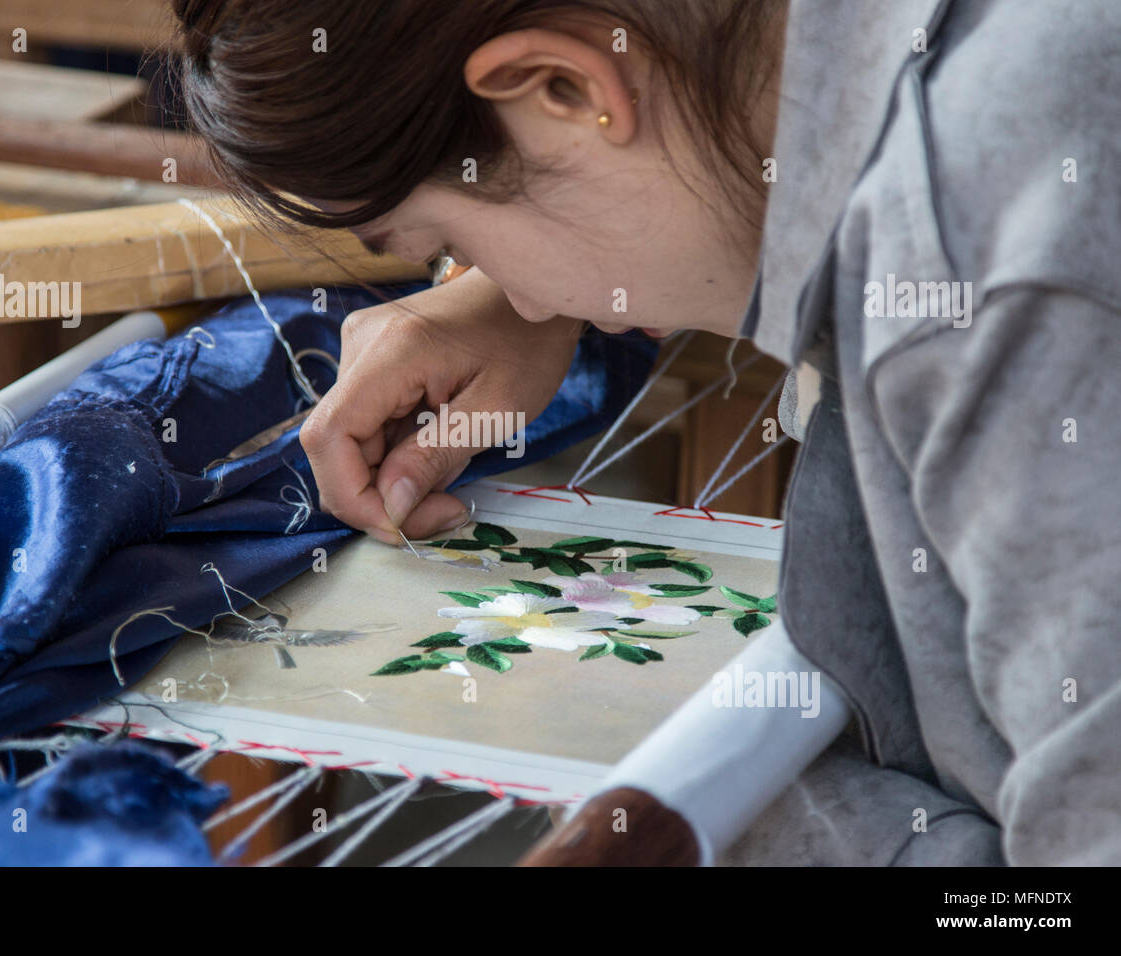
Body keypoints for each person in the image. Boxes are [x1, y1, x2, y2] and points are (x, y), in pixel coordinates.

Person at [170, 0, 1121, 865]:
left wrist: (757, 832)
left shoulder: (986, 283)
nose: (516, 293)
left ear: (568, 87)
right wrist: (513, 292)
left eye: (444, 244)